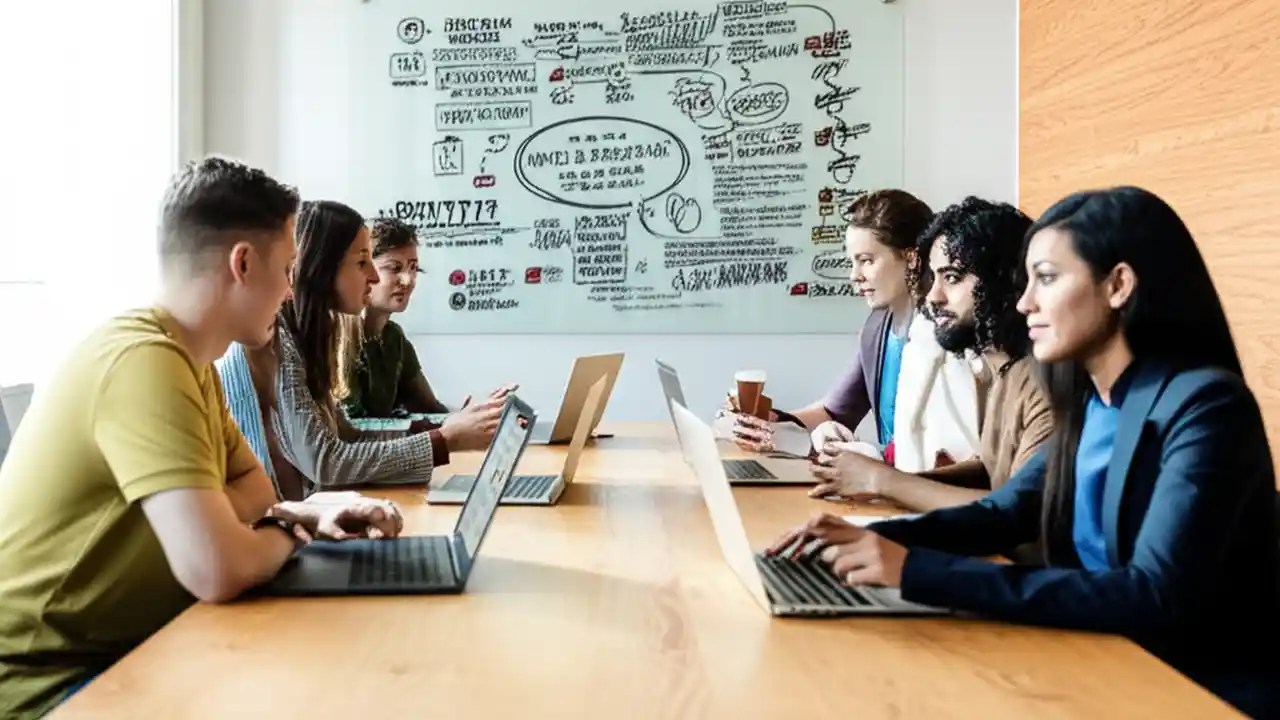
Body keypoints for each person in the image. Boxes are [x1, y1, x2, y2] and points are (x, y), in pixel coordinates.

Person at [768, 187, 1280, 718]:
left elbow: (1152, 596)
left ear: (1118, 285)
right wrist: (868, 538)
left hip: (1187, 687)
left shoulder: (1205, 407)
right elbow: (1006, 511)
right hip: (1099, 655)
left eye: (1048, 279)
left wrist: (917, 570)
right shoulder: (1091, 400)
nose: (1022, 302)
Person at [0, 157, 404, 718]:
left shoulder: (193, 362)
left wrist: (263, 517)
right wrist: (289, 529)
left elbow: (257, 491)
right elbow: (218, 569)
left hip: (130, 652)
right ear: (242, 263)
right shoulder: (143, 362)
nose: (291, 292)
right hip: (51, 688)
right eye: (288, 270)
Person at [220, 201, 505, 501]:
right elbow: (325, 462)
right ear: (322, 268)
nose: (373, 275)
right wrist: (443, 440)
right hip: (271, 532)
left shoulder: (305, 336)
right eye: (362, 262)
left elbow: (349, 436)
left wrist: (450, 433)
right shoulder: (274, 337)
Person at [811, 197, 1053, 512]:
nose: (933, 296)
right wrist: (881, 481)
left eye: (951, 278)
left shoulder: (1045, 383)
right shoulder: (1008, 373)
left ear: (1004, 278)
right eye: (934, 277)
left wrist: (882, 482)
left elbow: (1016, 511)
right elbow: (988, 469)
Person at [730, 189, 981, 472]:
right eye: (852, 262)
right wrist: (768, 421)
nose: (854, 275)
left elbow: (952, 450)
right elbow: (833, 411)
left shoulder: (947, 333)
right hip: (884, 484)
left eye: (867, 260)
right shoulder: (878, 327)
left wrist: (871, 457)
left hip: (921, 487)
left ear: (911, 257)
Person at [344, 217, 514, 419]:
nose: (408, 280)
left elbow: (429, 408)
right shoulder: (342, 339)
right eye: (394, 268)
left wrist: (471, 415)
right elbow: (351, 432)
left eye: (413, 268)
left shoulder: (394, 338)